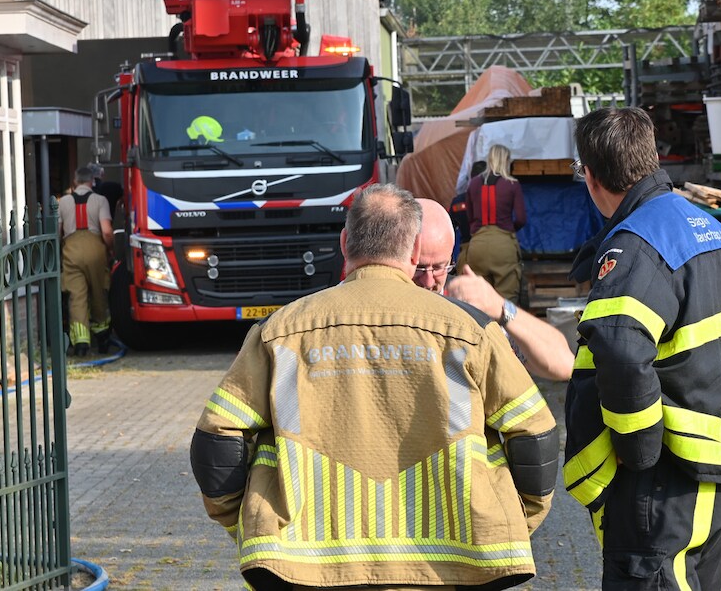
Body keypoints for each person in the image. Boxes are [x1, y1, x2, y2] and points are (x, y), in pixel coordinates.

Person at [190, 184, 560, 591]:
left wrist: (246, 522)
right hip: (449, 566)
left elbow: (216, 442)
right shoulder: (472, 332)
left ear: (345, 242)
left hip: (302, 568)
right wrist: (507, 521)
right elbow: (535, 436)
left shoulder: (278, 333)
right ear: (414, 253)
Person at [563, 107, 721, 590]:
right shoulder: (712, 231)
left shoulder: (637, 244)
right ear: (650, 160)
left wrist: (638, 451)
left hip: (662, 480)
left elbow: (621, 347)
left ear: (589, 176)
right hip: (713, 474)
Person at [416, 198, 575, 382]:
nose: (428, 280)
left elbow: (564, 364)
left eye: (439, 267)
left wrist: (500, 307)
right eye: (419, 268)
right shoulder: (381, 303)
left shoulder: (463, 301)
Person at [57, 166, 114, 357]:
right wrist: (109, 248)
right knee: (99, 293)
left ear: (75, 181)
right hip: (95, 250)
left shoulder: (62, 202)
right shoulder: (100, 200)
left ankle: (81, 343)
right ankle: (103, 337)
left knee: (76, 296)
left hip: (71, 250)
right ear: (92, 181)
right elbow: (106, 230)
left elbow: (57, 231)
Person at [464, 144, 526, 302]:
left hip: (477, 245)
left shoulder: (473, 184)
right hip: (503, 245)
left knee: (478, 301)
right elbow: (520, 218)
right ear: (506, 161)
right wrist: (510, 230)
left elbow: (469, 217)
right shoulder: (512, 184)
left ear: (489, 159)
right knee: (507, 302)